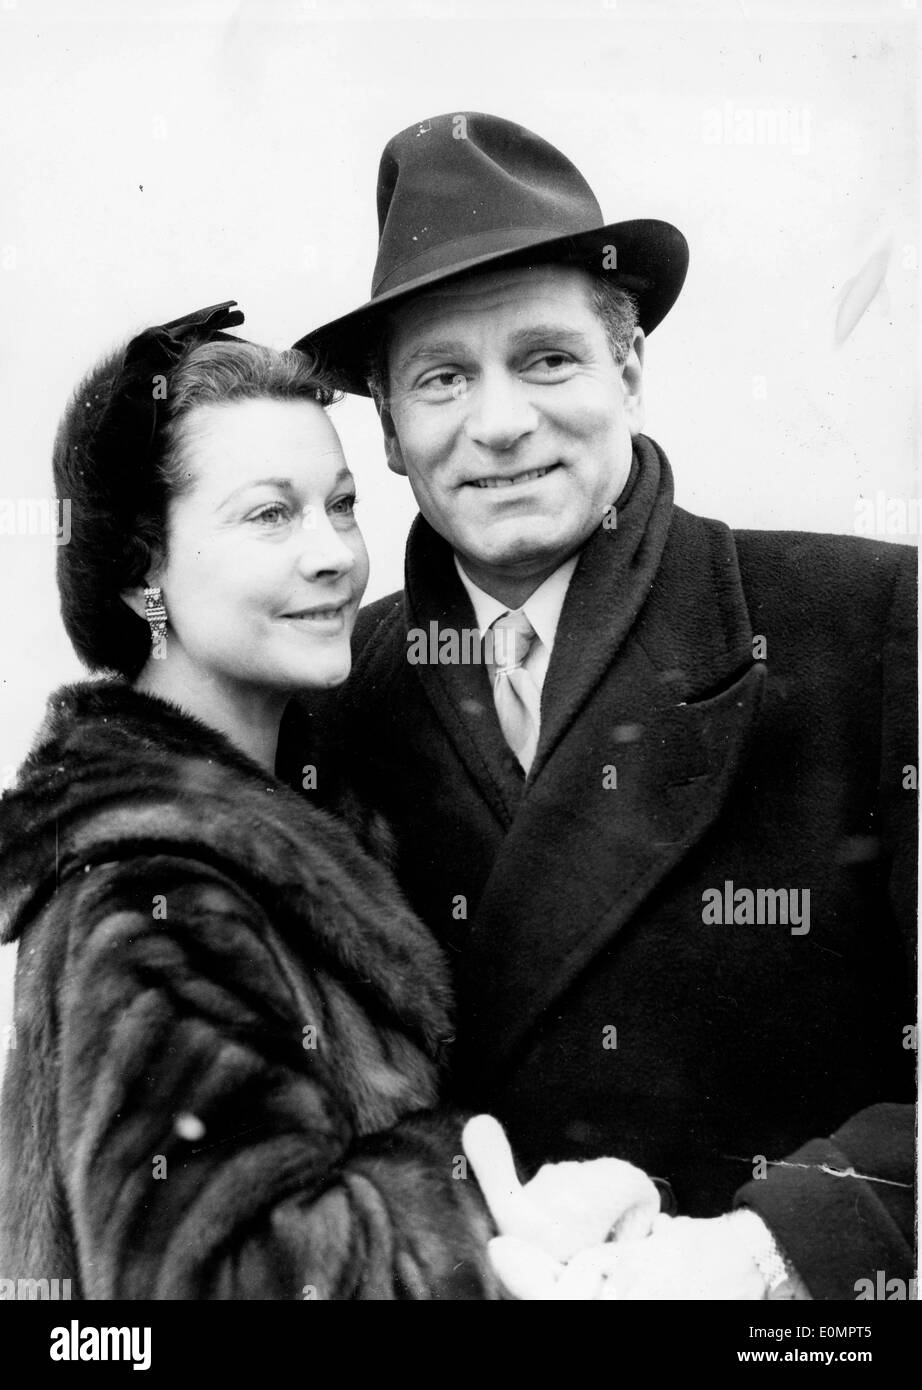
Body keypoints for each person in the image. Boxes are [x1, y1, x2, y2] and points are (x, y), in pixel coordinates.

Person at [283, 112, 917, 1300]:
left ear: (628, 367)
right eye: (441, 378)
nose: (500, 421)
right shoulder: (328, 703)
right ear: (385, 430)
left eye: (547, 358)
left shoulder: (868, 620)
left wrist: (764, 1249)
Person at [0, 302, 510, 1299]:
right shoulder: (154, 887)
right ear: (145, 570)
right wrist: (482, 1185)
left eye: (343, 503)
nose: (334, 555)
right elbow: (226, 1278)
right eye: (270, 514)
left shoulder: (285, 812)